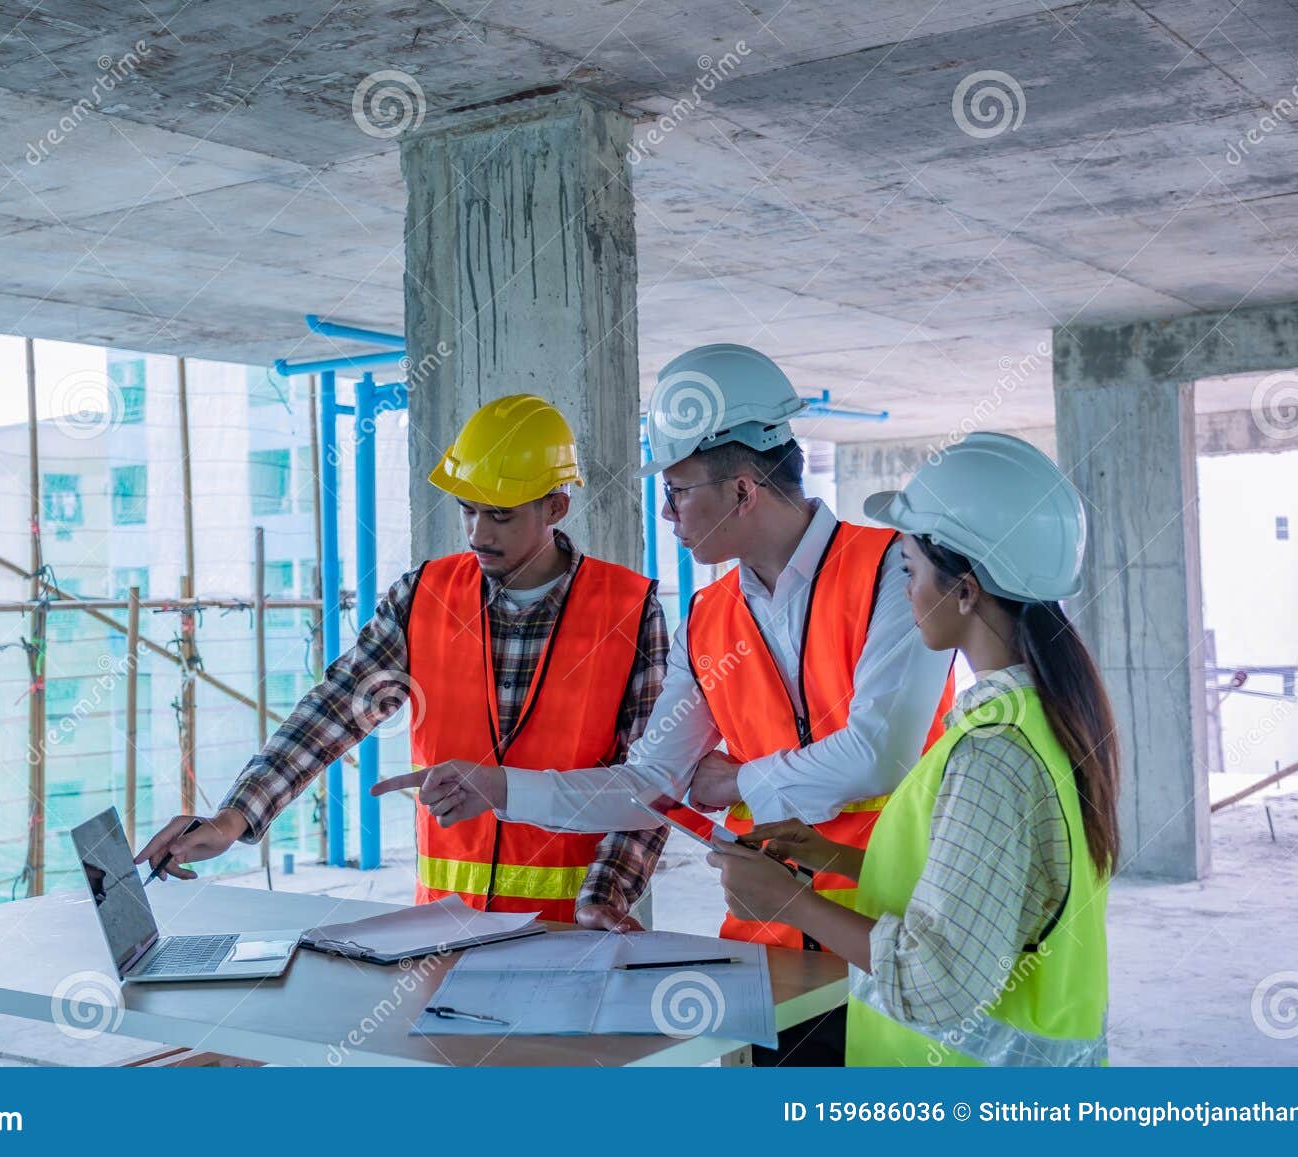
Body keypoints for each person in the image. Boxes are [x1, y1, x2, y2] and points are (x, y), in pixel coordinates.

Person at [375, 344, 956, 1064]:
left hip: (896, 935)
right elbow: (649, 784)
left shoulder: (893, 568)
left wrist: (737, 782)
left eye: (678, 490)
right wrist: (499, 788)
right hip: (768, 950)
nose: (665, 510)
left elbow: (877, 755)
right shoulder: (708, 618)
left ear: (741, 491)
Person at [135, 394, 670, 930]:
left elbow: (653, 778)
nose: (478, 533)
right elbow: (335, 709)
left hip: (572, 933)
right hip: (442, 932)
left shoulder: (628, 609)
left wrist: (604, 895)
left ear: (555, 507)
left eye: (500, 515)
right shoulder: (424, 597)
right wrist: (235, 816)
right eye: (468, 509)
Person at [709, 431, 1117, 1066]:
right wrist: (834, 857)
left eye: (910, 570)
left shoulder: (992, 754)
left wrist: (787, 902)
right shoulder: (1039, 718)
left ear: (965, 589)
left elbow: (934, 984)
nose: (905, 591)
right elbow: (984, 895)